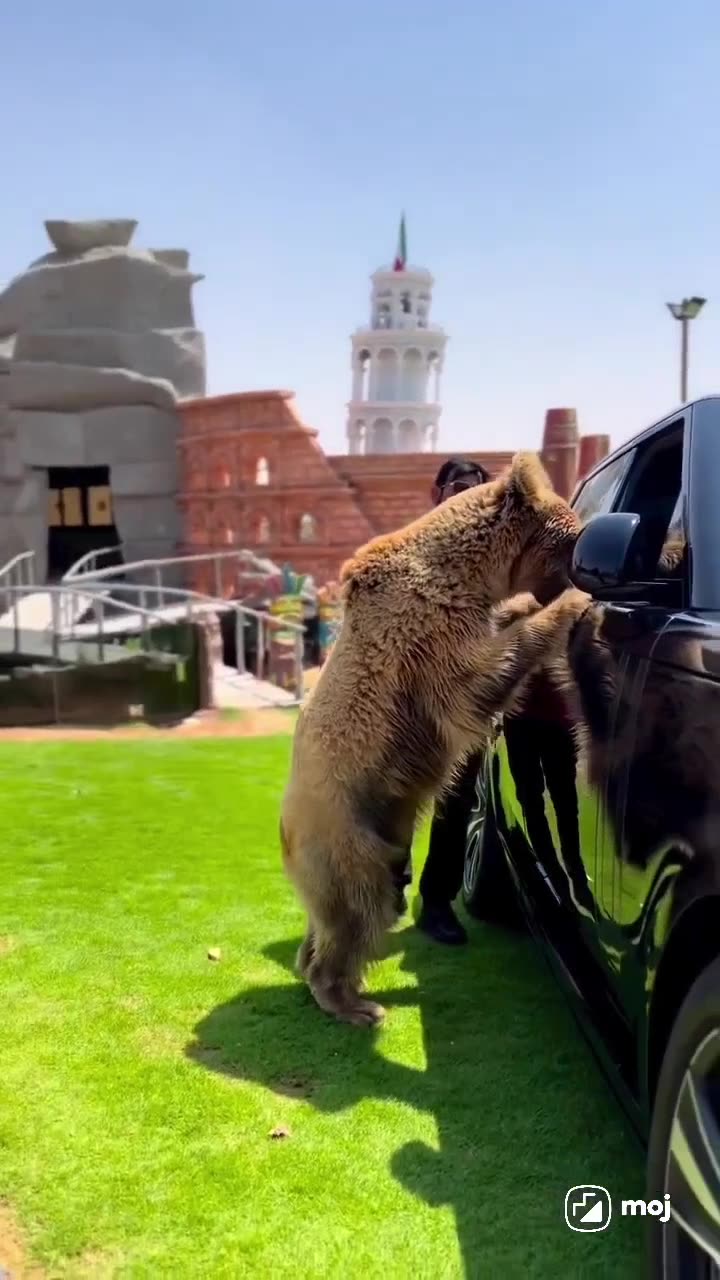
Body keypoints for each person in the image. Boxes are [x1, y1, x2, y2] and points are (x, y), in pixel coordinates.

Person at [415, 457, 491, 945]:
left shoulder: (494, 557)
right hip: (410, 697)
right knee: (396, 802)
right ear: (437, 492)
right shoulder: (411, 549)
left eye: (478, 490)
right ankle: (385, 891)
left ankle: (437, 902)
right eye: (459, 487)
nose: (468, 496)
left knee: (455, 803)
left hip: (466, 699)